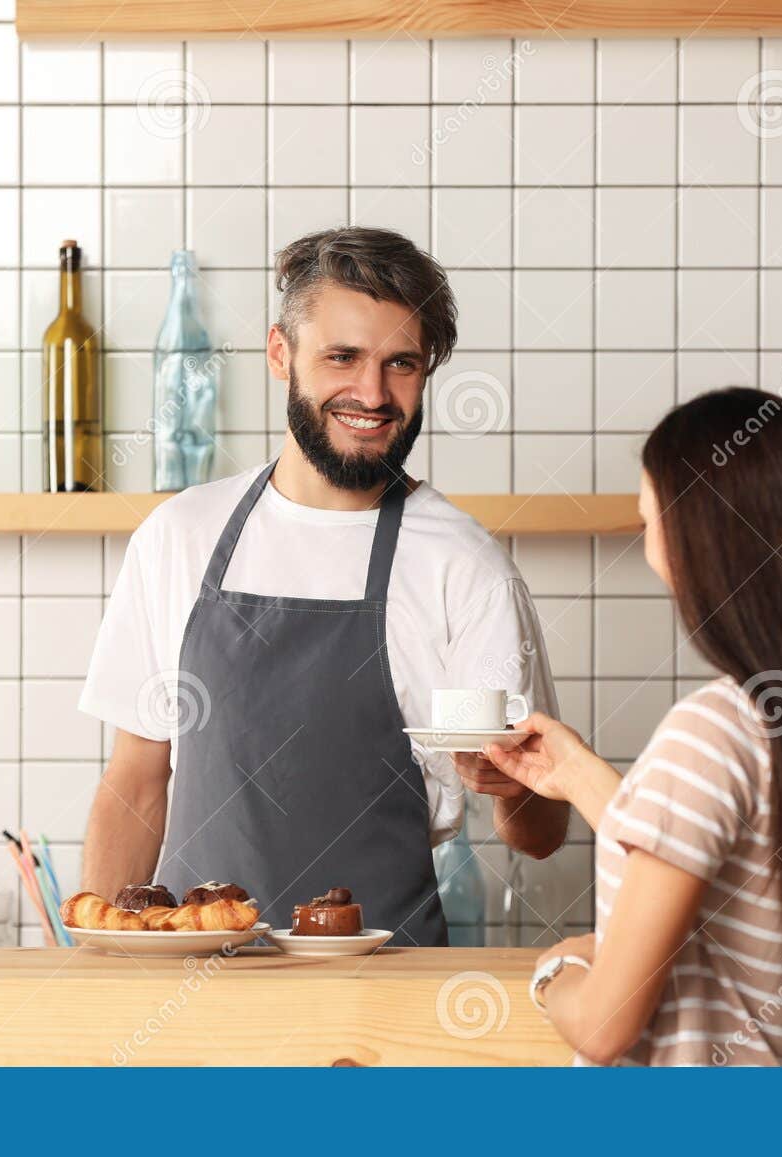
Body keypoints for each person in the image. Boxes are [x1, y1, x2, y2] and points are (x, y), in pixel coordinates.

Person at [77, 226, 568, 946]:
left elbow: (542, 833)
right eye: (343, 356)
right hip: (193, 984)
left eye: (401, 363)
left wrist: (513, 787)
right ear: (281, 354)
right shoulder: (180, 537)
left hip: (388, 994)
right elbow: (136, 783)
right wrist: (99, 958)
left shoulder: (465, 567)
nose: (372, 393)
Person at [487, 387, 782, 1064]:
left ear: (697, 540)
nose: (650, 551)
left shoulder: (712, 728)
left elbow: (605, 1027)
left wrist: (559, 972)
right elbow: (724, 872)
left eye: (649, 523)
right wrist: (576, 772)